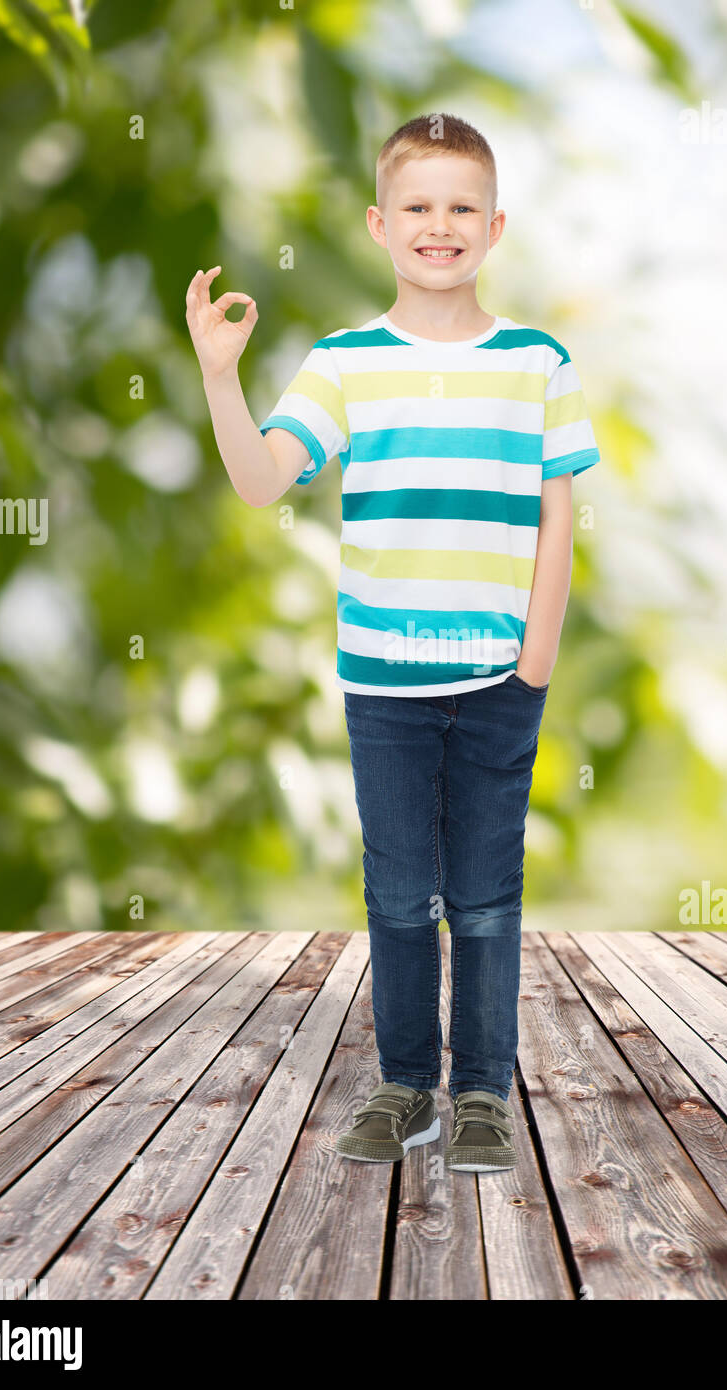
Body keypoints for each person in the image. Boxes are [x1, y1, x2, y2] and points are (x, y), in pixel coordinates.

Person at [186, 112, 599, 1173]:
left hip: (504, 676)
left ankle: (480, 1094)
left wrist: (538, 657)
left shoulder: (537, 362)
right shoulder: (344, 363)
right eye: (418, 206)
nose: (440, 226)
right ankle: (406, 1082)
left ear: (495, 225)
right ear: (380, 223)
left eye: (462, 207)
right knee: (398, 890)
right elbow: (263, 479)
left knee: (487, 895)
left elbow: (558, 514)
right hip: (384, 680)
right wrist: (221, 375)